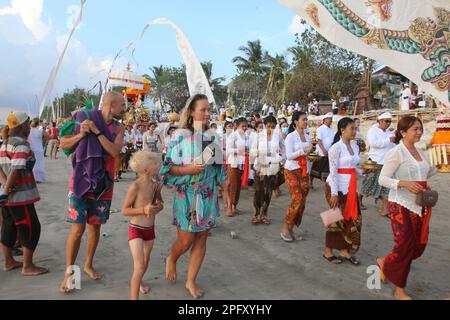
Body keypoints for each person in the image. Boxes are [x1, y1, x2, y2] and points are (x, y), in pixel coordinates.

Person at [59, 91, 125, 293]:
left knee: (95, 228)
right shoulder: (82, 119)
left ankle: (88, 264)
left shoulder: (119, 127)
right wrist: (81, 134)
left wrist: (97, 132)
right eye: (122, 105)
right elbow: (64, 144)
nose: (125, 109)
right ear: (110, 106)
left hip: (103, 186)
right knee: (77, 230)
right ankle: (70, 274)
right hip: (79, 182)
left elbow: (114, 151)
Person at [161, 94, 225, 299]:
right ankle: (172, 258)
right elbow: (167, 169)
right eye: (202, 109)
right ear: (191, 112)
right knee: (186, 240)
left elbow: (219, 167)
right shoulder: (179, 135)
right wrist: (188, 170)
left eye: (209, 110)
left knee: (202, 238)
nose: (207, 113)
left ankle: (191, 280)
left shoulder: (213, 136)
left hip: (208, 195)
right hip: (186, 195)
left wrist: (223, 182)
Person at [377, 116, 435, 300]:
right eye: (415, 129)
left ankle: (386, 263)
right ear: (402, 132)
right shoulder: (396, 153)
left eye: (420, 129)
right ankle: (399, 289)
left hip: (420, 205)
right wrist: (403, 183)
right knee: (406, 245)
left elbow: (426, 172)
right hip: (400, 204)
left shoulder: (421, 152)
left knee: (417, 245)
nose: (419, 132)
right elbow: (383, 179)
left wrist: (439, 165)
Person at [0, 112, 48, 276]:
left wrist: (4, 185)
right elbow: (17, 169)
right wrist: (6, 189)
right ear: (21, 126)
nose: (30, 126)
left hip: (6, 195)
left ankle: (8, 262)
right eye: (28, 123)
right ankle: (27, 266)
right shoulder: (21, 144)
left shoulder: (5, 142)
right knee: (30, 227)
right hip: (20, 196)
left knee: (9, 227)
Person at [122, 151, 164, 300]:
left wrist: (158, 206)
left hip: (149, 230)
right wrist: (143, 209)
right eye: (155, 163)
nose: (158, 165)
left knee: (145, 262)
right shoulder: (135, 186)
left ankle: (139, 280)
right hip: (136, 229)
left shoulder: (155, 186)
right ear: (146, 170)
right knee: (139, 265)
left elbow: (160, 203)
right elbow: (125, 210)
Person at [323, 117, 363, 265]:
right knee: (335, 220)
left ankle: (345, 250)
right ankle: (328, 251)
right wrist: (334, 193)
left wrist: (362, 171)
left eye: (355, 128)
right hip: (336, 187)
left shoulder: (355, 146)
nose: (354, 131)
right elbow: (333, 172)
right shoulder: (335, 148)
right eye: (351, 128)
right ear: (342, 129)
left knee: (354, 219)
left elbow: (352, 167)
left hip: (351, 188)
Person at [281, 112, 312, 242]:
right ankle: (285, 228)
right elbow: (289, 155)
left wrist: (312, 155)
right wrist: (304, 151)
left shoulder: (308, 136)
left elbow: (309, 154)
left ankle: (291, 228)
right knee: (297, 199)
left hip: (304, 171)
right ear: (295, 122)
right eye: (303, 120)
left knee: (302, 202)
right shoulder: (290, 137)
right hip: (291, 170)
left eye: (306, 120)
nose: (305, 122)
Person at [249, 116, 285, 225]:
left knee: (268, 191)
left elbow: (284, 147)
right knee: (258, 190)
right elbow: (253, 151)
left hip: (273, 166)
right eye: (268, 126)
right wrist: (253, 166)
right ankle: (255, 214)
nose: (270, 129)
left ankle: (264, 214)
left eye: (273, 127)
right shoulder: (258, 136)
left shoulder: (277, 136)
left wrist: (283, 159)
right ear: (264, 126)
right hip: (260, 165)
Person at [361, 112, 396, 217]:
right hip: (375, 161)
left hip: (387, 162)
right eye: (386, 121)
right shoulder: (373, 131)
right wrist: (388, 140)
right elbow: (373, 144)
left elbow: (392, 146)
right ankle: (359, 199)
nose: (388, 123)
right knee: (368, 184)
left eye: (389, 121)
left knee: (386, 187)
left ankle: (386, 210)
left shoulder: (389, 132)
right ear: (380, 121)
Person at [226, 118, 250, 217]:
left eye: (246, 126)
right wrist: (240, 151)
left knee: (239, 186)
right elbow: (228, 150)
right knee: (233, 185)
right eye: (242, 126)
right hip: (234, 163)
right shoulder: (233, 135)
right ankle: (229, 206)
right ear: (237, 126)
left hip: (243, 163)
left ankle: (235, 205)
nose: (244, 128)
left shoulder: (247, 136)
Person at [310, 112, 334, 188]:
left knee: (327, 168)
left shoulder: (331, 129)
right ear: (325, 120)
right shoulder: (320, 129)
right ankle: (310, 182)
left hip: (329, 152)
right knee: (315, 168)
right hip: (321, 152)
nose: (330, 120)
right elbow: (319, 140)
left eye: (331, 119)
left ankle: (327, 184)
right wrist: (323, 150)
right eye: (329, 119)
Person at [29, 118, 48, 183]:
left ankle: (32, 178)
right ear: (38, 123)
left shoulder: (29, 129)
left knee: (32, 163)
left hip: (31, 148)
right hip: (39, 148)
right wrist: (43, 140)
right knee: (39, 163)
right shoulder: (40, 129)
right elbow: (47, 136)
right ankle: (38, 178)